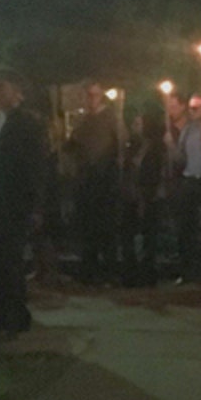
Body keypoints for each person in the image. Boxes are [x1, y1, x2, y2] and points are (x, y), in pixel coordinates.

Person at [0, 69, 48, 345]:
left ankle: (9, 318)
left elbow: (35, 168)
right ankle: (6, 315)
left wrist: (35, 207)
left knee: (9, 264)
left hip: (13, 204)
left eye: (2, 87)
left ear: (16, 93)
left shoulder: (25, 124)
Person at [65, 82, 124, 284]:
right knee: (87, 228)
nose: (91, 100)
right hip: (85, 181)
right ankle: (88, 270)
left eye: (94, 95)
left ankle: (109, 271)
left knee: (105, 228)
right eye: (88, 96)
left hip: (105, 181)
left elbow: (120, 148)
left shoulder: (111, 119)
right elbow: (72, 145)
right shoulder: (82, 120)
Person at [174, 93, 201, 283]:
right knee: (186, 226)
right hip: (190, 178)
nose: (192, 112)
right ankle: (187, 269)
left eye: (196, 108)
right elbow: (180, 156)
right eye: (190, 108)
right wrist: (171, 147)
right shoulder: (188, 129)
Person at [121, 110, 167, 286]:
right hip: (131, 194)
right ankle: (130, 274)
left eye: (139, 124)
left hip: (147, 194)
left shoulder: (154, 147)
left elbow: (155, 170)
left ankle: (148, 273)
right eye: (134, 124)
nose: (135, 127)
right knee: (129, 235)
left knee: (148, 235)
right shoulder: (130, 146)